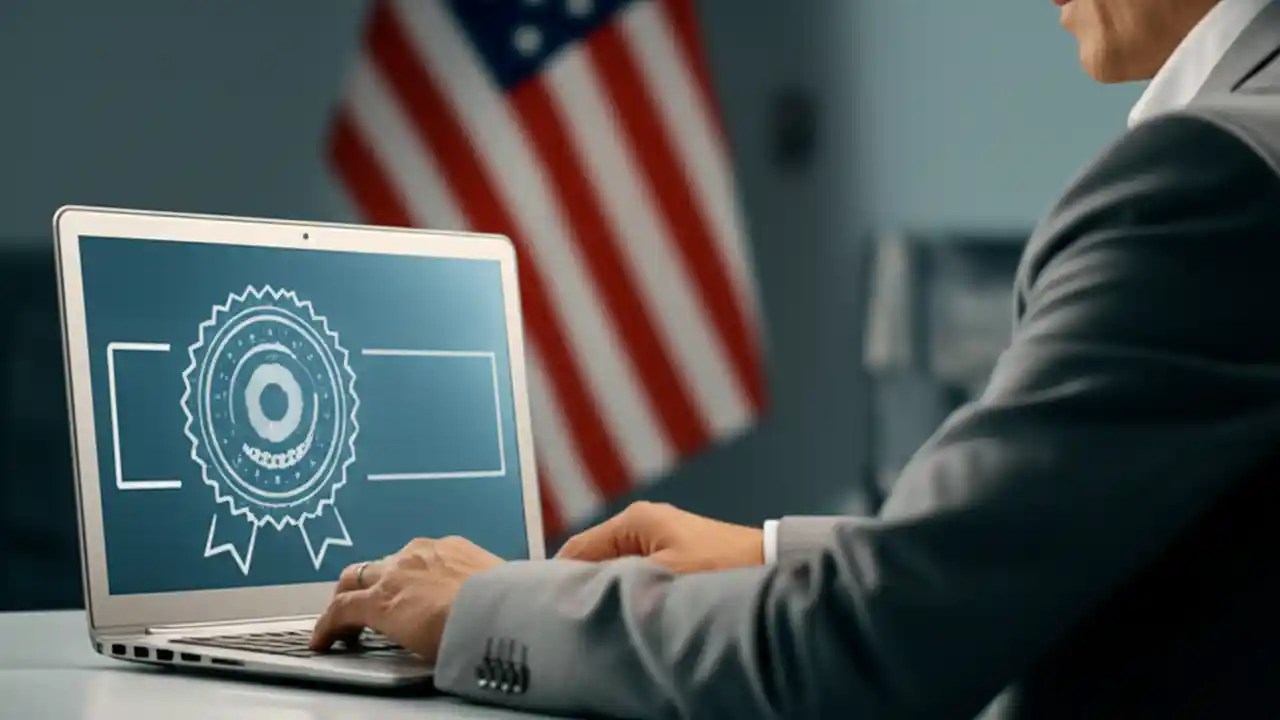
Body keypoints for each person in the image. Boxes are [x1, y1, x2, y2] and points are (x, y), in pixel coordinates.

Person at [311, 0, 1280, 716]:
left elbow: (863, 653)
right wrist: (765, 557)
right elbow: (1111, 543)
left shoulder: (1201, 178)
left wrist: (488, 608)